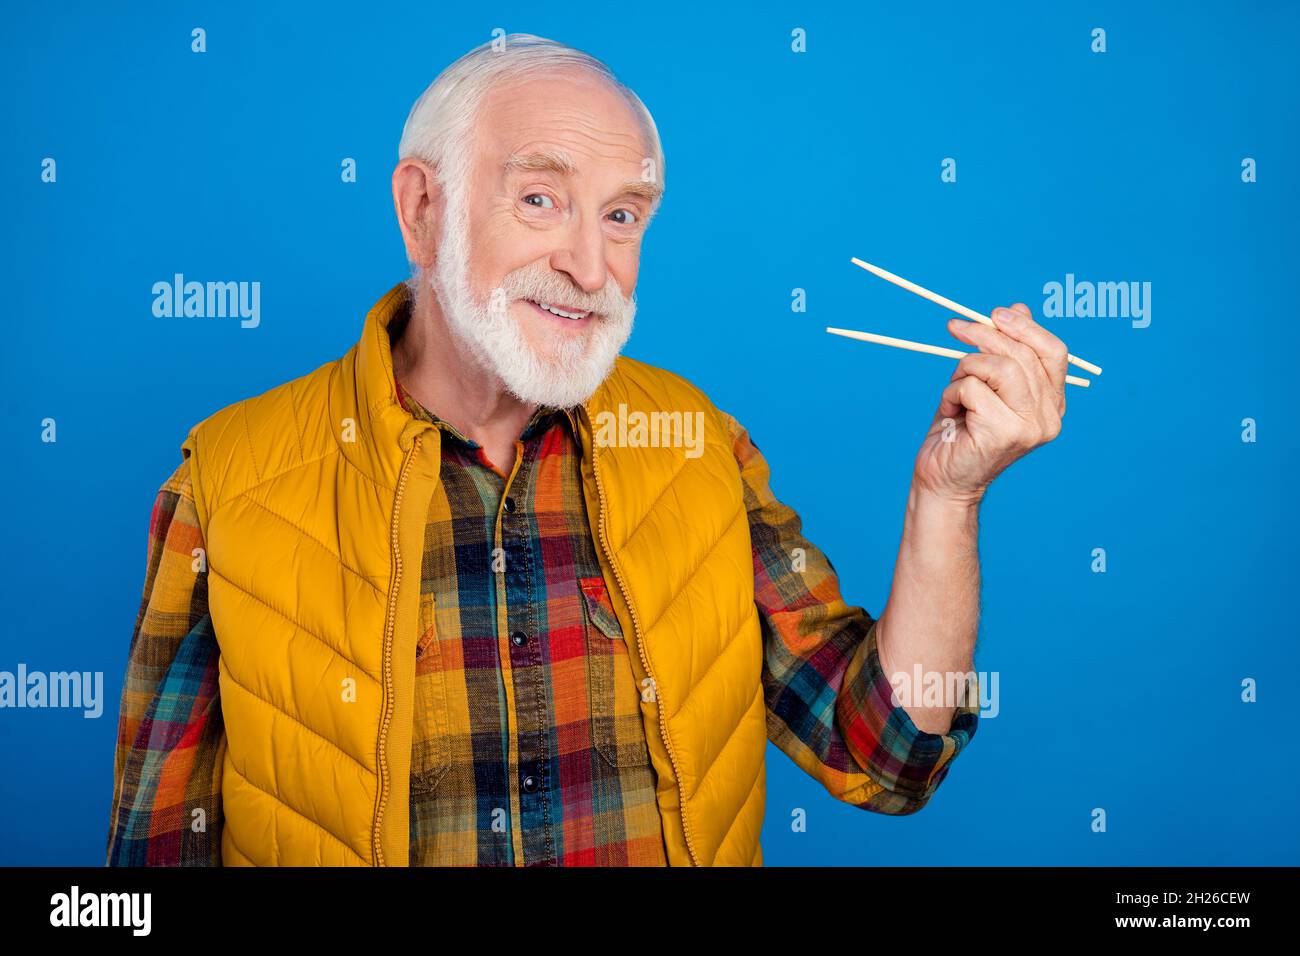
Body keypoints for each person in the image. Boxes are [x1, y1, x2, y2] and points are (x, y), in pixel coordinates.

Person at [107, 34, 1068, 867]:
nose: (590, 266)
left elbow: (884, 753)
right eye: (539, 199)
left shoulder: (694, 445)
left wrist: (948, 498)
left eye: (621, 215)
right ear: (420, 208)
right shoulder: (231, 478)